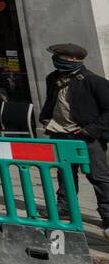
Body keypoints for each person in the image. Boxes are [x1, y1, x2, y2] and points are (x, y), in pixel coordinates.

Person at [40, 43, 109, 237]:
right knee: (65, 175)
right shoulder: (53, 78)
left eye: (60, 57)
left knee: (99, 176)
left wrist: (89, 131)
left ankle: (107, 213)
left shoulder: (94, 81)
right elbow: (50, 101)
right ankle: (65, 207)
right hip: (60, 134)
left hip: (86, 137)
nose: (56, 60)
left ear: (74, 59)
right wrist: (45, 118)